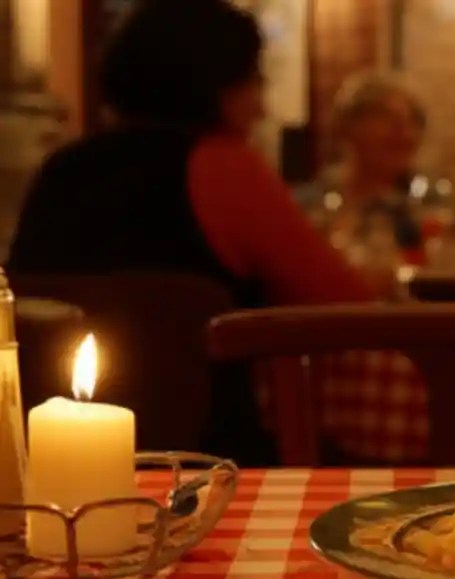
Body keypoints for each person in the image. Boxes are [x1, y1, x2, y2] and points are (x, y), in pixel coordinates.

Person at [5, 0, 379, 460]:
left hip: (55, 457)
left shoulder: (62, 168)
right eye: (253, 80)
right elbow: (348, 308)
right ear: (217, 87)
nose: (261, 105)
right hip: (215, 462)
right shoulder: (222, 165)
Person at [298, 72, 431, 264]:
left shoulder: (421, 213)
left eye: (412, 121)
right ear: (349, 126)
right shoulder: (309, 208)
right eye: (387, 118)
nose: (404, 132)